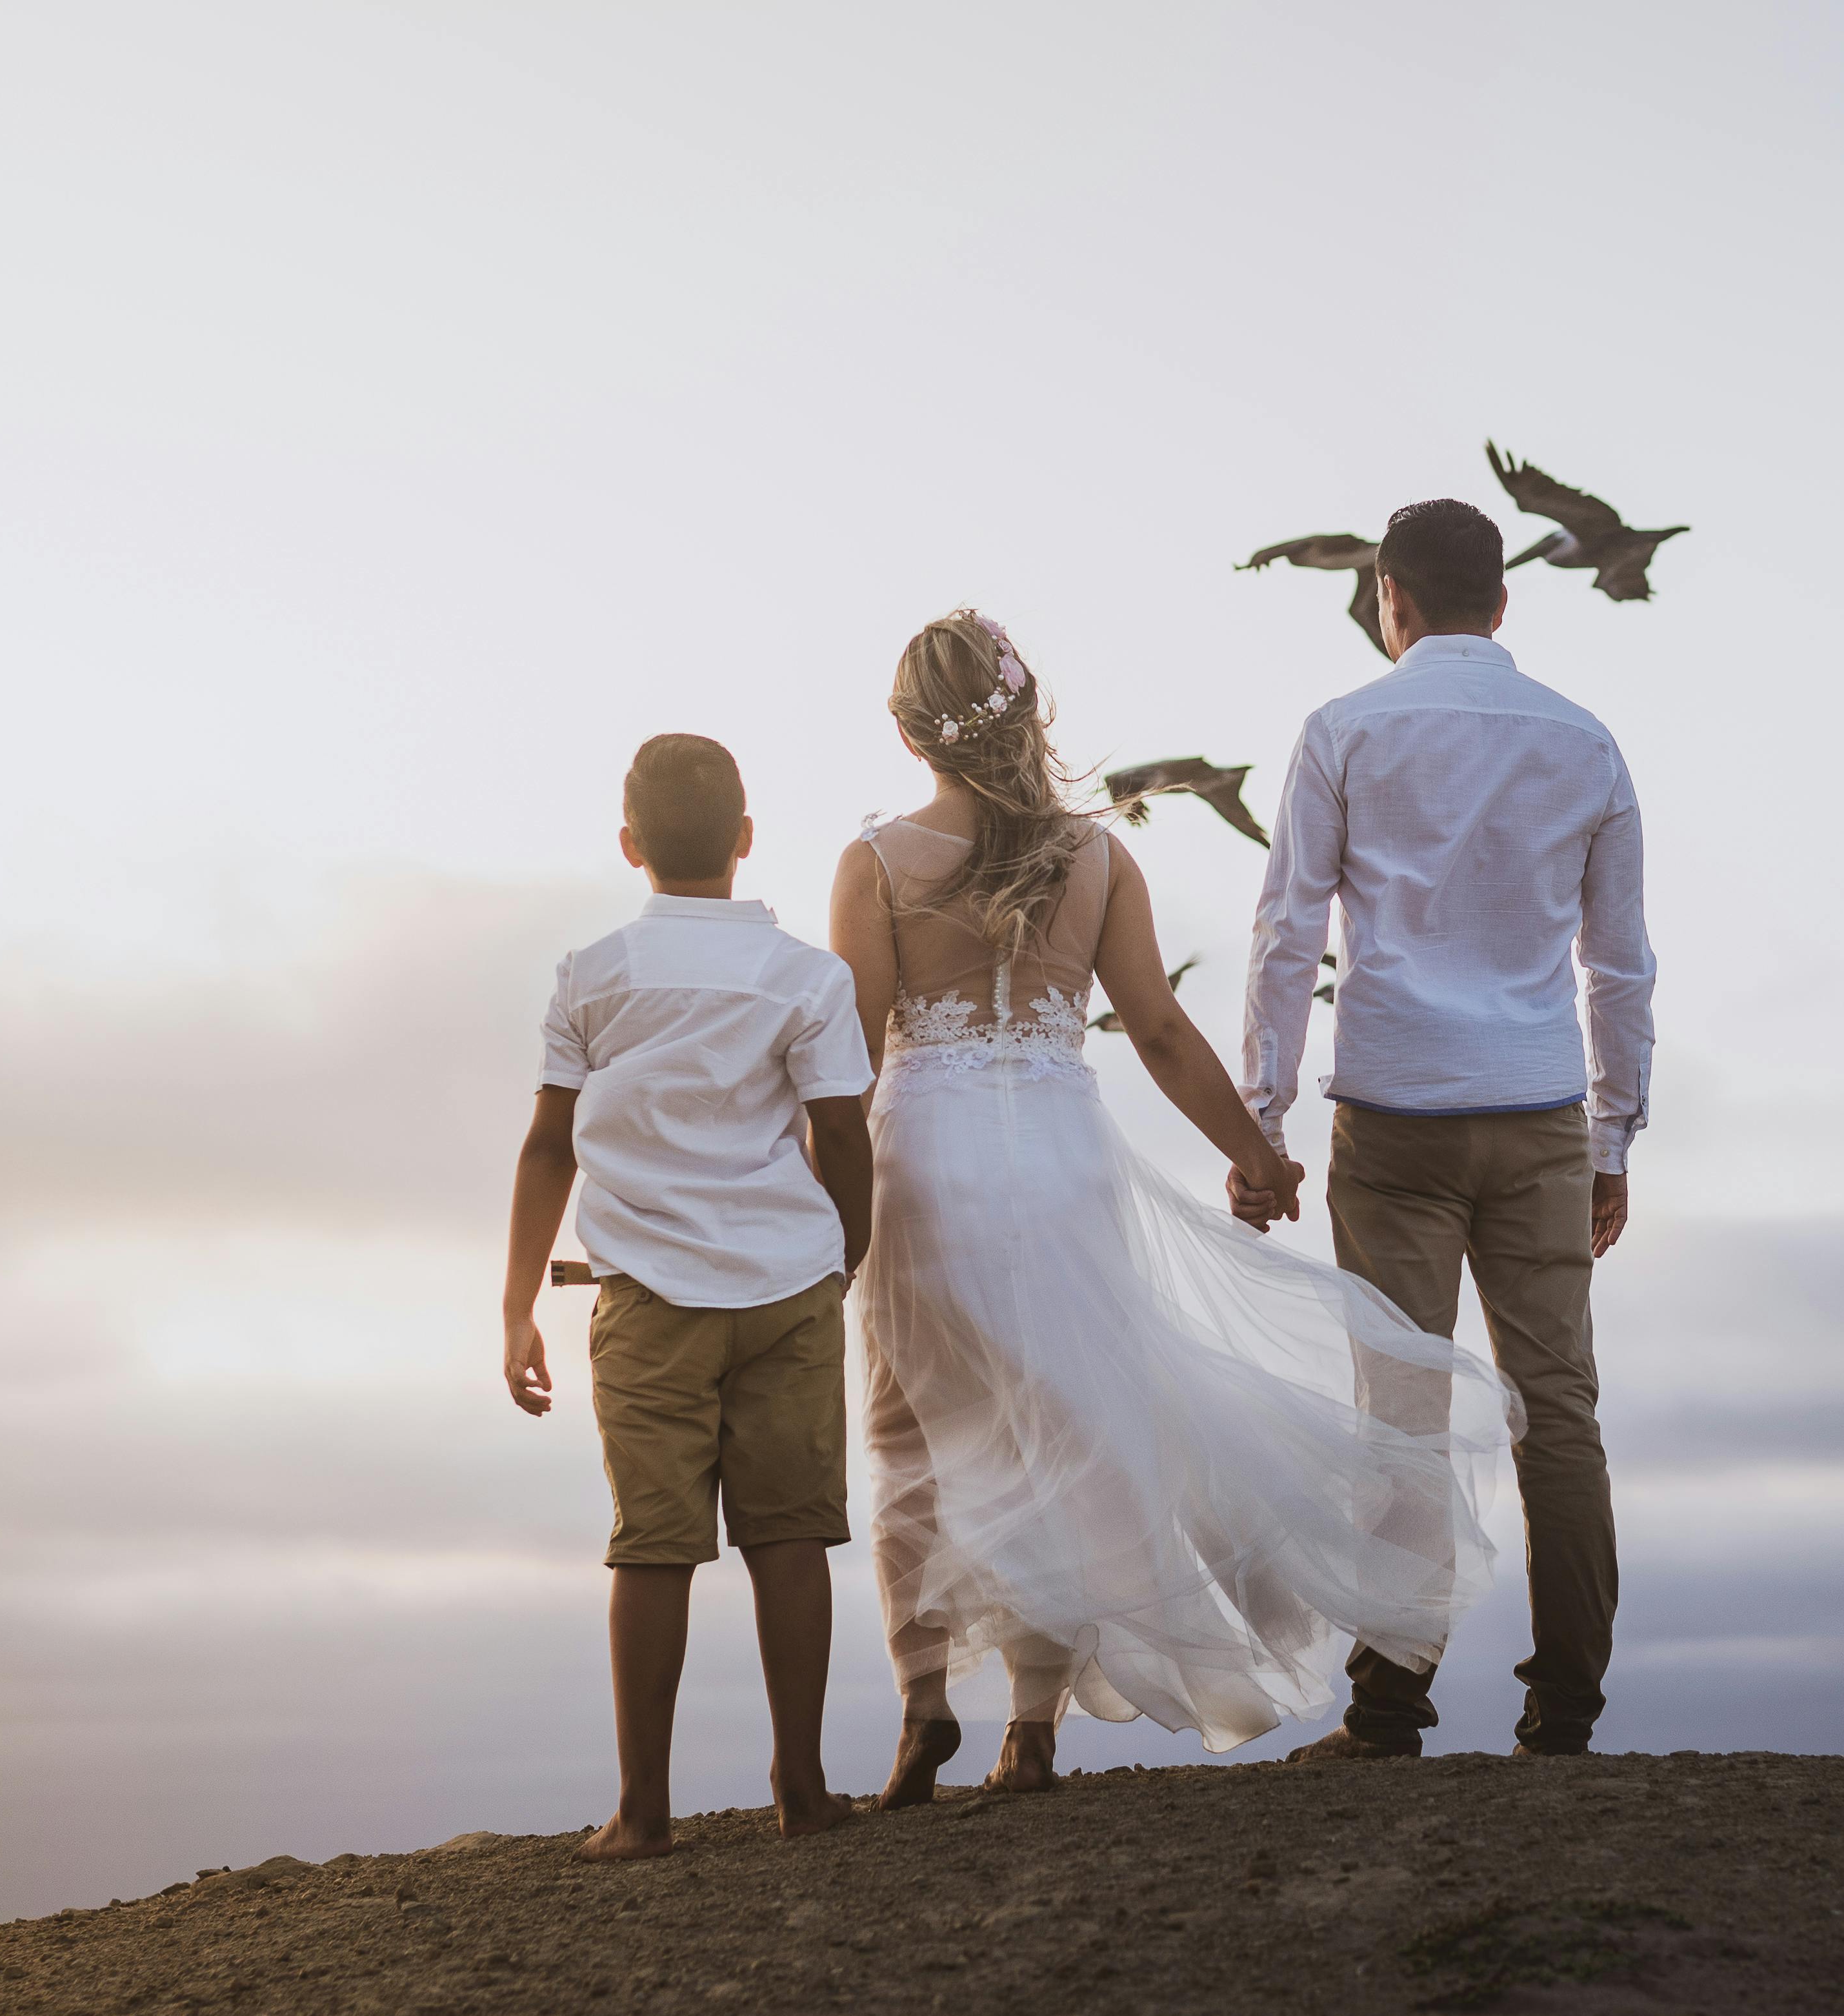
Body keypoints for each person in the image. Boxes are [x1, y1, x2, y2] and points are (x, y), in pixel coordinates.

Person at [828, 609, 1520, 1807]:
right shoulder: (1096, 859)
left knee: (909, 1434)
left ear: (908, 734)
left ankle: (922, 1705)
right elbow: (1156, 1029)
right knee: (1065, 1426)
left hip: (926, 1160)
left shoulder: (878, 862)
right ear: (1026, 709)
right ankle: (1030, 1729)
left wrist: (811, 1209)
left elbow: (849, 1055)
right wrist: (1258, 1157)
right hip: (1061, 1158)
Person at [1235, 496, 1656, 1761]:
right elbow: (1618, 966)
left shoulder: (1342, 731)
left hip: (1394, 1118)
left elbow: (1286, 935)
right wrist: (1612, 1139)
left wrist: (1262, 1119)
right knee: (1559, 1411)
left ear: (1390, 598)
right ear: (1504, 600)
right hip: (1536, 1117)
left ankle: (1387, 1707)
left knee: (1400, 1413)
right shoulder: (1585, 743)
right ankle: (1566, 1710)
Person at [503, 734, 876, 1860]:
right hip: (787, 1286)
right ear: (746, 838)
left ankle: (643, 1811)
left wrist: (517, 1305)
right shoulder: (809, 978)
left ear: (631, 846)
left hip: (647, 1297)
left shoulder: (590, 975)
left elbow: (547, 1145)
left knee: (653, 1546)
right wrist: (843, 1258)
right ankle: (803, 1787)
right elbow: (844, 1134)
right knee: (791, 1535)